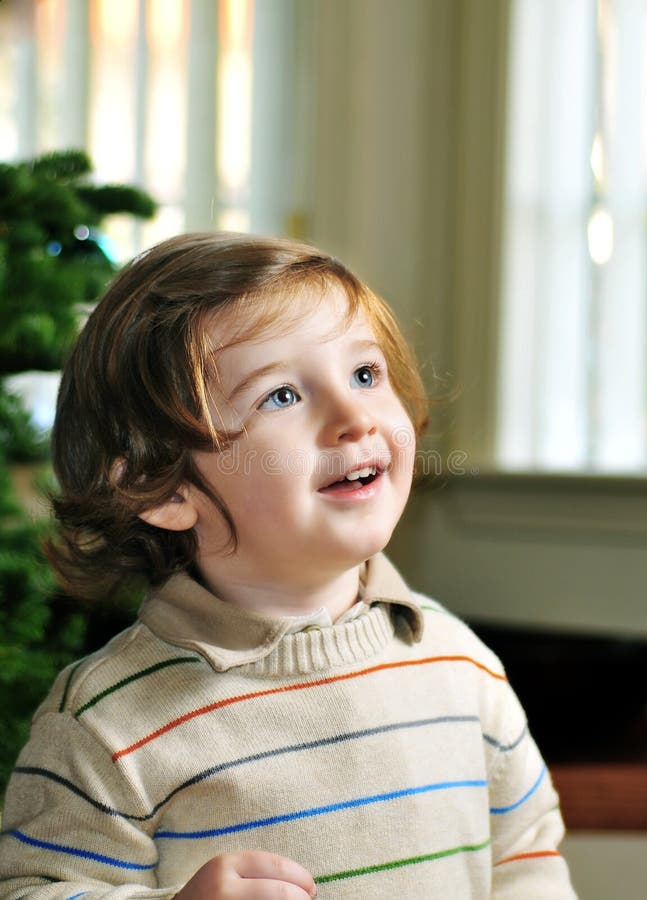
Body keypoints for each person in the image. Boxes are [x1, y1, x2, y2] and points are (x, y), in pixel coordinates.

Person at [0, 233, 577, 899]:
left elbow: (525, 859)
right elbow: (35, 889)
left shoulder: (459, 665)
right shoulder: (107, 720)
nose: (353, 416)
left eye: (365, 374)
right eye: (280, 395)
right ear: (161, 490)